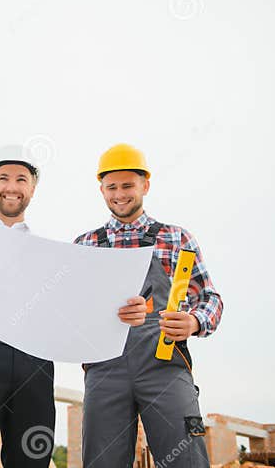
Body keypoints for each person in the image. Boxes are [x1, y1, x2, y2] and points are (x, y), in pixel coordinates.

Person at [0, 144, 148, 468]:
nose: (12, 187)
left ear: (33, 188)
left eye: (21, 179)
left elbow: (79, 306)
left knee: (32, 459)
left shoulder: (51, 245)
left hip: (35, 363)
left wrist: (126, 313)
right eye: (4, 178)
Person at [75, 143, 223, 467]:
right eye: (111, 187)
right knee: (101, 461)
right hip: (104, 371)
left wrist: (194, 321)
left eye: (128, 185)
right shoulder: (85, 245)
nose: (120, 194)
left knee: (189, 456)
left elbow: (209, 298)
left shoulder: (176, 238)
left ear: (146, 184)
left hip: (167, 367)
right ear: (101, 189)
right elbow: (70, 311)